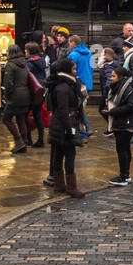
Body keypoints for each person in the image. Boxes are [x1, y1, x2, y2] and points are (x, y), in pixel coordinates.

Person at [45, 57, 85, 198]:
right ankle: (70, 186)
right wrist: (70, 130)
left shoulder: (66, 84)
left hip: (60, 125)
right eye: (73, 69)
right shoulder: (63, 87)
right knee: (68, 155)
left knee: (58, 155)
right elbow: (63, 111)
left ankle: (60, 184)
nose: (75, 71)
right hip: (63, 126)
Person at [106, 63, 133, 186]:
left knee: (122, 149)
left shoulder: (129, 88)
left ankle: (123, 176)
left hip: (127, 122)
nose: (111, 78)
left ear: (121, 77)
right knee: (124, 148)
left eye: (113, 76)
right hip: (121, 121)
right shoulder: (117, 87)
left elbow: (132, 105)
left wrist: (113, 111)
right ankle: (125, 175)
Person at [1, 42, 31, 154]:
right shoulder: (24, 63)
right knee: (21, 119)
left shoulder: (11, 64)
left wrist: (6, 96)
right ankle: (24, 142)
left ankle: (18, 141)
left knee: (6, 119)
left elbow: (8, 83)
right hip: (25, 95)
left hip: (15, 96)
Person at [24, 41, 48, 149]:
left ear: (29, 51)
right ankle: (40, 139)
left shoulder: (29, 62)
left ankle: (28, 139)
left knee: (25, 115)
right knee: (38, 115)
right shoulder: (41, 61)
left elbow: (27, 77)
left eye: (26, 49)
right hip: (40, 91)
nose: (24, 51)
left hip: (31, 91)